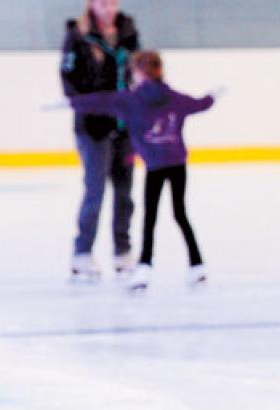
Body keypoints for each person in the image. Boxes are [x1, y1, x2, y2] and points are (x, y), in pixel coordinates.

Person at [67, 51, 217, 292]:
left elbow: (102, 101)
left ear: (137, 72)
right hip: (177, 163)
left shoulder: (130, 100)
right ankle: (196, 265)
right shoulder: (173, 97)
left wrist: (74, 102)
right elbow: (198, 104)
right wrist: (212, 97)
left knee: (150, 218)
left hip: (156, 166)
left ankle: (145, 267)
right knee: (180, 214)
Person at [59, 0, 140, 283]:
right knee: (95, 190)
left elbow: (136, 72)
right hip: (93, 127)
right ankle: (82, 253)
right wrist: (94, 103)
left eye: (113, 3)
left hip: (125, 127)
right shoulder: (77, 35)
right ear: (92, 4)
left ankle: (122, 250)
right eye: (103, 3)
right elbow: (69, 81)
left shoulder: (128, 30)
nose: (109, 8)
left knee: (125, 193)